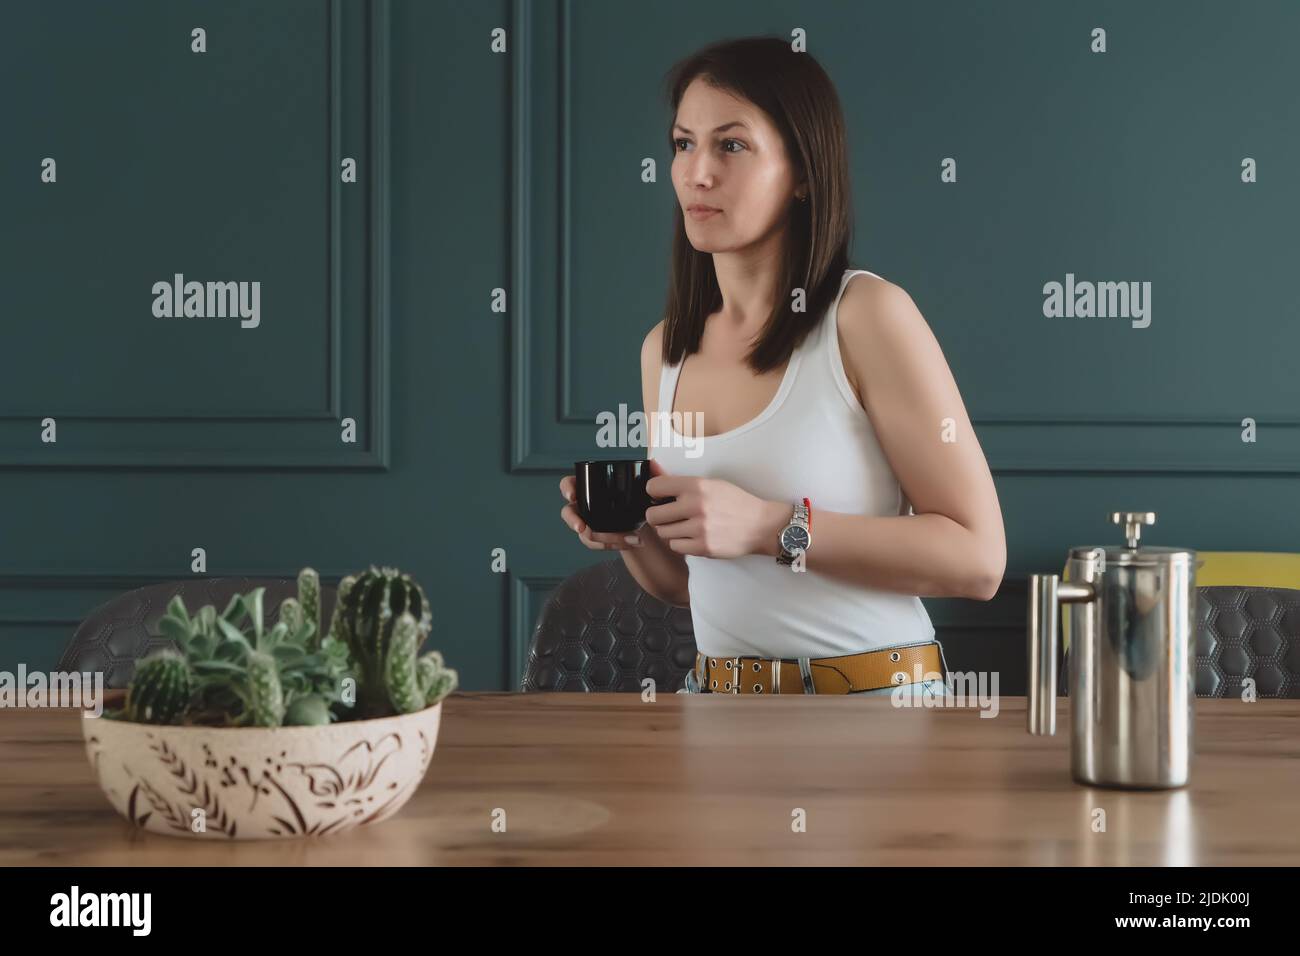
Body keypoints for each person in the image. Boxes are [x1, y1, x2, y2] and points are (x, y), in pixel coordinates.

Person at [558, 37, 1005, 698]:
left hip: (880, 710)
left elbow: (978, 560)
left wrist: (770, 526)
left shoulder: (867, 315)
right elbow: (688, 584)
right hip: (717, 707)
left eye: (730, 145)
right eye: (684, 144)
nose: (697, 173)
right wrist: (629, 537)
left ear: (802, 172)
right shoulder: (665, 350)